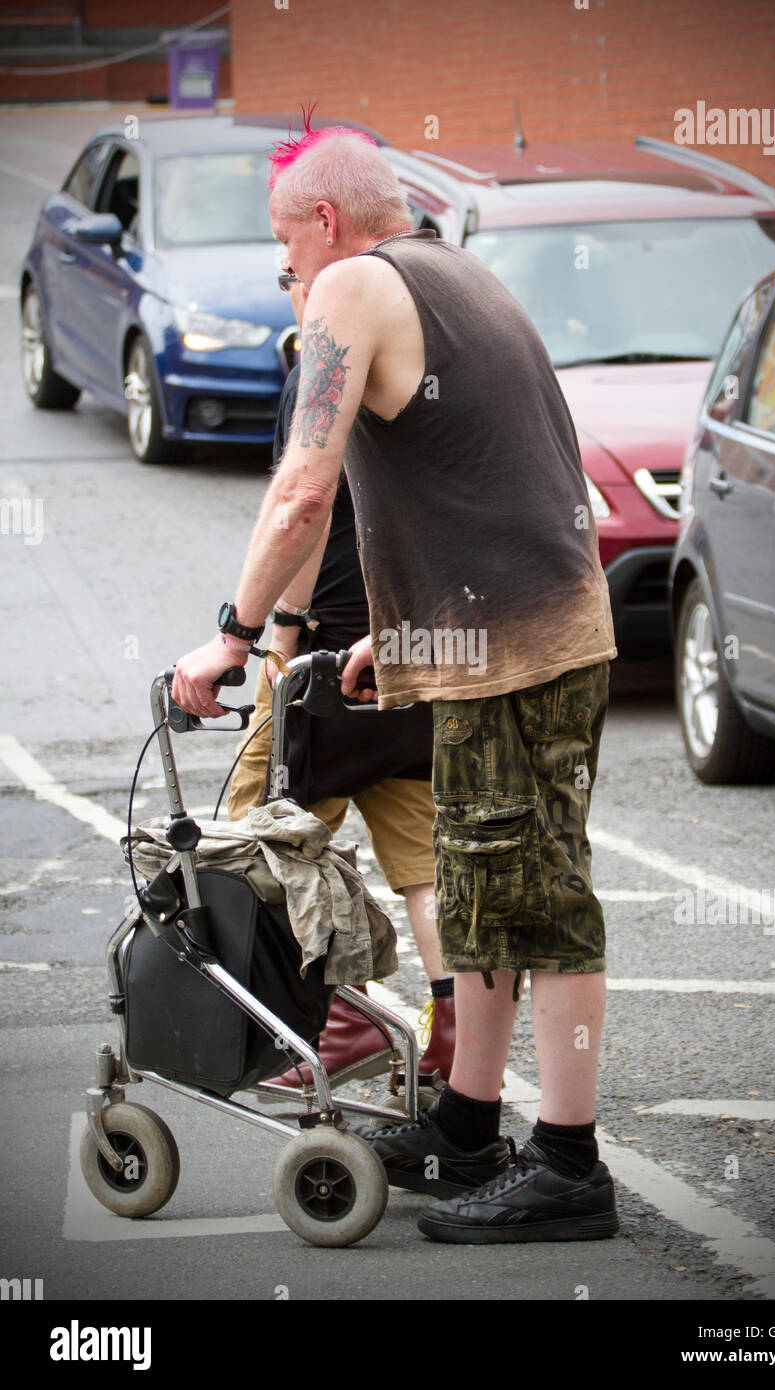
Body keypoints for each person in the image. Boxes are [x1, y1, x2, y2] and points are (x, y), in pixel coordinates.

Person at [172, 118, 619, 1245]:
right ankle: (465, 1125)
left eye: (285, 250)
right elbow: (481, 474)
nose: (286, 277)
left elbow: (301, 495)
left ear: (323, 222)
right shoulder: (453, 274)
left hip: (522, 650)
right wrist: (405, 631)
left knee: (542, 898)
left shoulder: (354, 287)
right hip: (498, 642)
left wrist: (230, 637)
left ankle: (568, 1166)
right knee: (475, 893)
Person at [228, 279, 454, 1092]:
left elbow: (308, 505)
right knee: (427, 866)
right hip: (409, 649)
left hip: (326, 658)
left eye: (289, 269)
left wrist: (273, 633)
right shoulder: (434, 369)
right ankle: (450, 1045)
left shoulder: (327, 360)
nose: (290, 285)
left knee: (258, 844)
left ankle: (345, 1012)